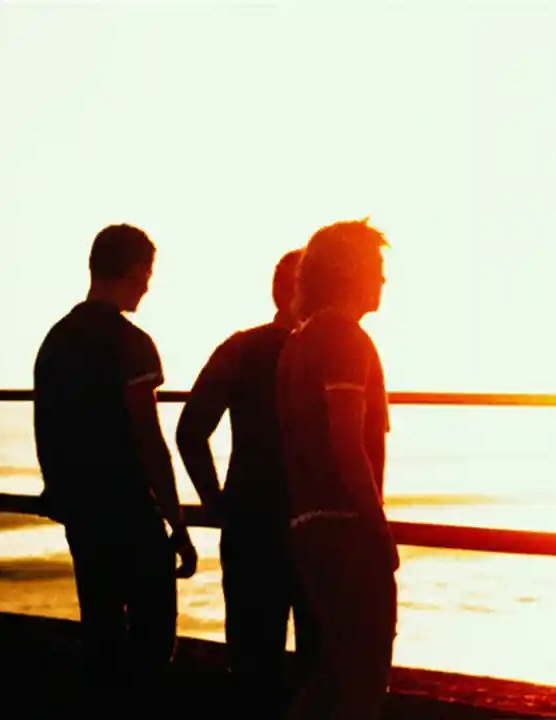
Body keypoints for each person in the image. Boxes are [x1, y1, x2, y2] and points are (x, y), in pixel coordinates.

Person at [33, 223, 198, 704]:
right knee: (152, 643)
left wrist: (60, 493)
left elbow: (46, 429)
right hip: (128, 512)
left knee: (101, 636)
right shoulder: (130, 343)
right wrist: (178, 521)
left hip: (81, 513)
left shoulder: (54, 342)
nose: (148, 283)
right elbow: (150, 439)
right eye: (147, 272)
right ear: (129, 270)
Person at [176, 248, 318, 714]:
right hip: (315, 526)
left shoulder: (240, 348)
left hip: (250, 523)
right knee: (319, 670)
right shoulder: (332, 353)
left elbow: (190, 430)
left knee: (254, 671)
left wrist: (214, 501)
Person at [277, 219, 397, 720]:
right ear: (351, 271)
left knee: (332, 675)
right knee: (363, 683)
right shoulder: (346, 341)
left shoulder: (297, 344)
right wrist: (378, 527)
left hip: (307, 526)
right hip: (346, 531)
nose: (384, 280)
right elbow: (348, 442)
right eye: (377, 267)